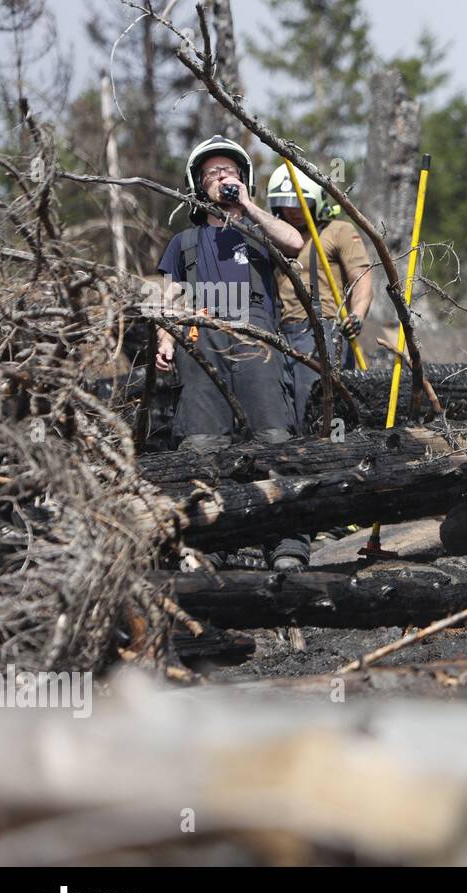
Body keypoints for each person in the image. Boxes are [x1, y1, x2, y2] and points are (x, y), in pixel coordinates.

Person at [155, 134, 310, 571]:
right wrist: (166, 339)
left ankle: (286, 546)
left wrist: (248, 207)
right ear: (197, 186)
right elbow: (171, 301)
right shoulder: (184, 242)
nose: (221, 178)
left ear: (243, 180)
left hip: (257, 341)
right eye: (211, 174)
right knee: (203, 448)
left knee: (274, 440)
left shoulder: (261, 230)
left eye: (229, 172)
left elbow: (296, 244)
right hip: (200, 344)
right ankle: (211, 545)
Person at [265, 164, 373, 428]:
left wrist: (357, 315)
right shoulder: (272, 238)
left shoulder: (338, 231)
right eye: (285, 205)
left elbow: (362, 280)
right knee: (282, 412)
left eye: (299, 204)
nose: (292, 210)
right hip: (279, 334)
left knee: (315, 408)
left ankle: (323, 459)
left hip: (322, 333)